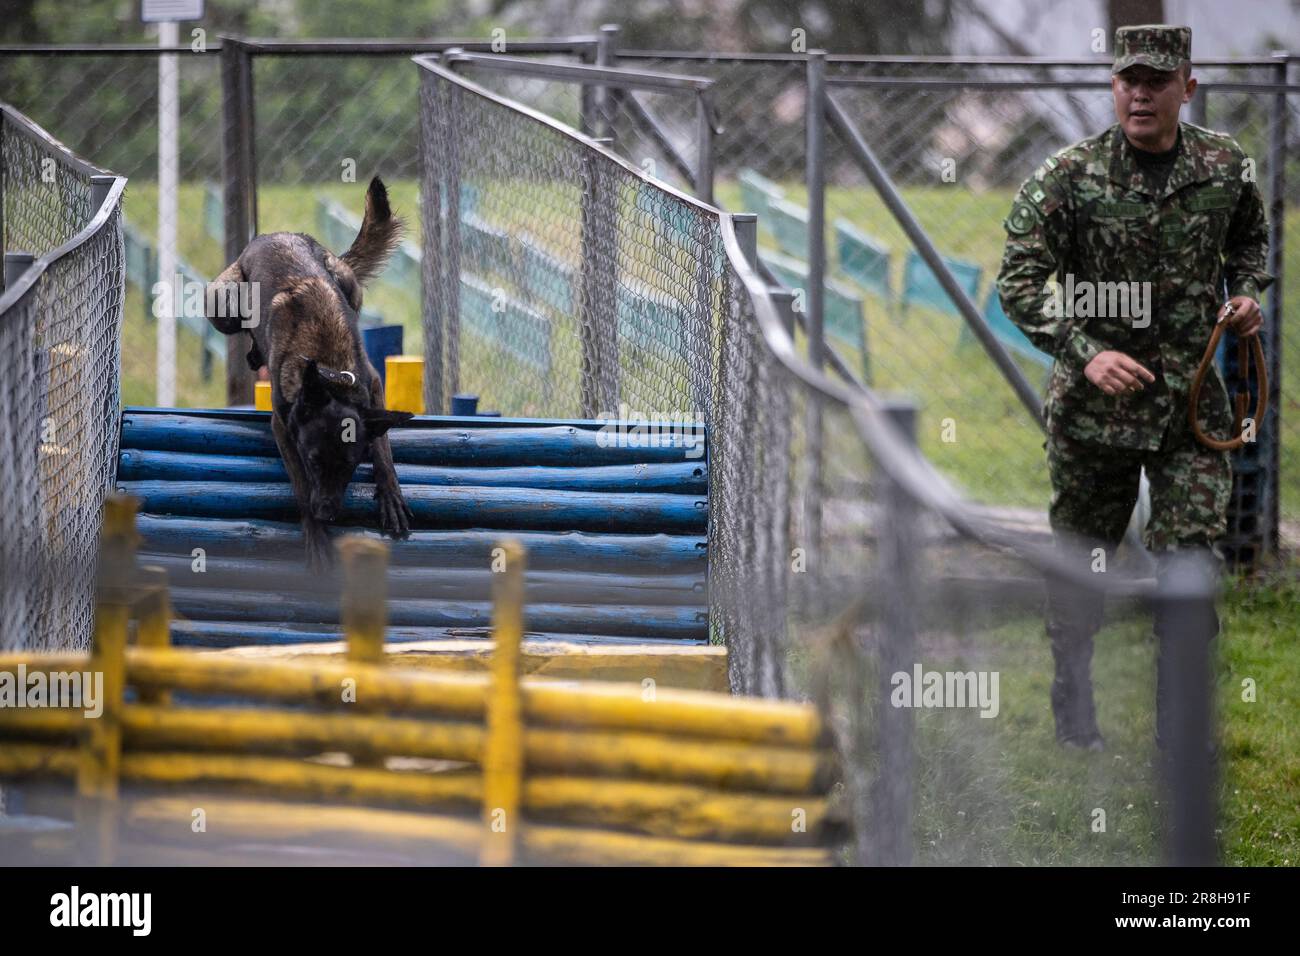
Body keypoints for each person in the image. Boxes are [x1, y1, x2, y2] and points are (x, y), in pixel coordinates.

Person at [995, 24, 1271, 750]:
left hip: (1191, 414)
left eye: (1156, 80)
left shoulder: (1225, 165)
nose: (1140, 93)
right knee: (1082, 567)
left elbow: (1250, 241)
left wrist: (1245, 295)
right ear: (1114, 86)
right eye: (1128, 81)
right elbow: (1019, 283)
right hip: (1095, 416)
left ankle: (1178, 738)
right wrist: (1084, 352)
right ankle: (1073, 703)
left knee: (1189, 569)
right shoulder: (1069, 174)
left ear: (1189, 86)